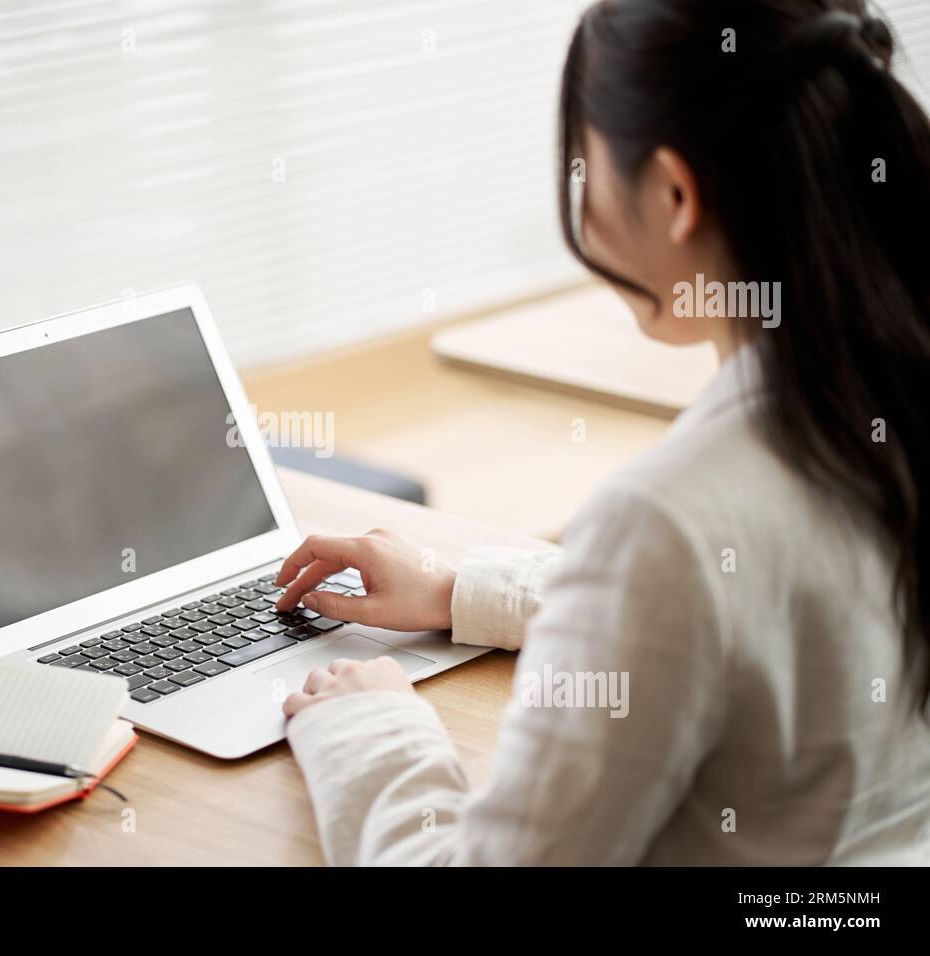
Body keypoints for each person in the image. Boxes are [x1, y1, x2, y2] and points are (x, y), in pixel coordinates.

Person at [273, 0, 930, 865]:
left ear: (674, 195)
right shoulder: (879, 404)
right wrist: (465, 590)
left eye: (586, 161)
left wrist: (372, 729)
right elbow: (727, 610)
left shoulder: (668, 520)